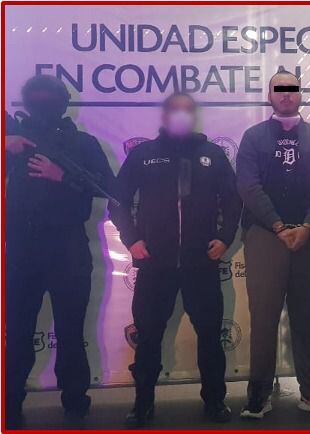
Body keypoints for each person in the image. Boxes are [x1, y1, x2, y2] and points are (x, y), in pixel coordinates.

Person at [108, 92, 242, 426]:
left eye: (187, 110)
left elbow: (233, 200)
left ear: (194, 116)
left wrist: (225, 238)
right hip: (155, 264)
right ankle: (143, 404)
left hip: (202, 264)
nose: (181, 115)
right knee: (148, 337)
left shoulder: (213, 155)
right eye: (175, 110)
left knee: (210, 337)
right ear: (165, 116)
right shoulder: (144, 154)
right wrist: (132, 239)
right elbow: (117, 200)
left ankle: (215, 401)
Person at [5, 75, 115, 428]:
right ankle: (9, 403)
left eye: (48, 98)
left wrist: (61, 176)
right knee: (17, 330)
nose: (43, 104)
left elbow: (108, 187)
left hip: (67, 245)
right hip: (21, 245)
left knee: (70, 330)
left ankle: (75, 403)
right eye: (36, 98)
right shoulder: (13, 136)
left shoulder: (82, 143)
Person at [236, 70, 310, 418]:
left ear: (300, 94)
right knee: (264, 319)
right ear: (269, 96)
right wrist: (279, 226)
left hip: (308, 237)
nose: (286, 94)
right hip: (266, 236)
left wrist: (307, 226)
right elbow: (248, 187)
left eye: (292, 89)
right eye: (279, 89)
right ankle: (259, 395)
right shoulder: (253, 137)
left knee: (305, 318)